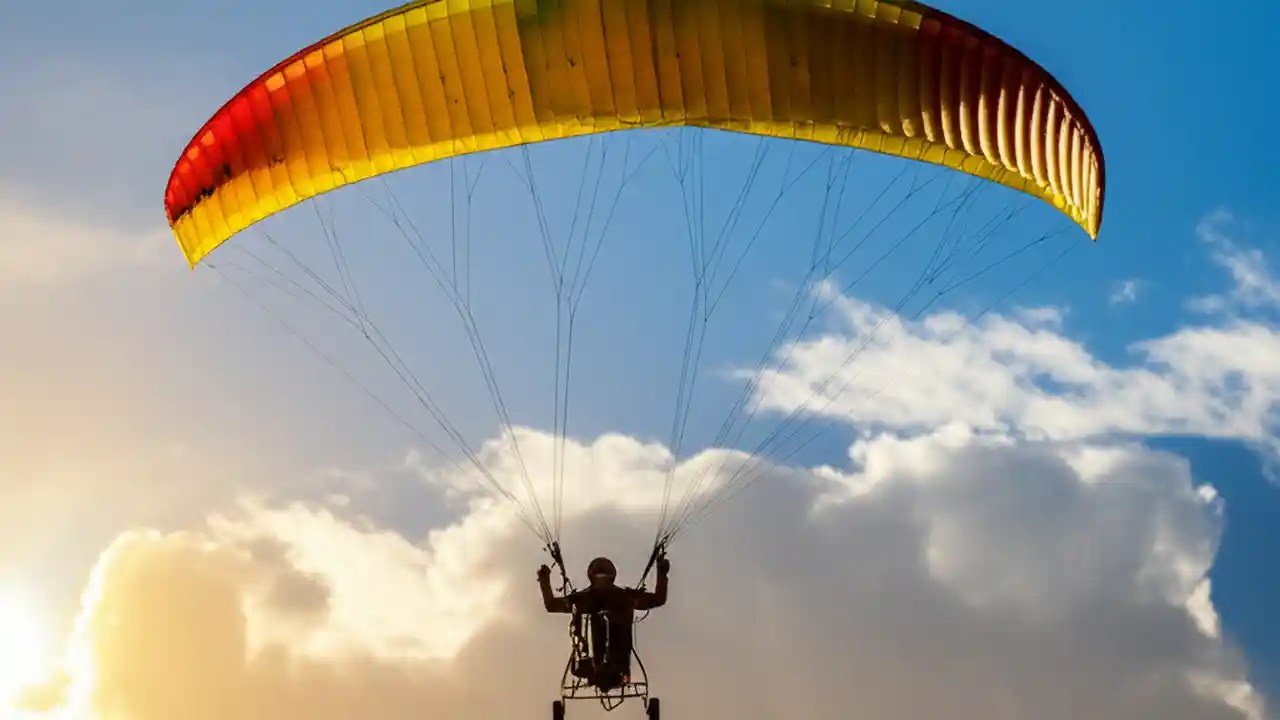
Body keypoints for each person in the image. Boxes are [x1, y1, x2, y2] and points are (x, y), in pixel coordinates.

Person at [538, 555, 670, 691]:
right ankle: (600, 665)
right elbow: (658, 599)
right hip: (599, 661)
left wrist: (544, 580)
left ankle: (602, 666)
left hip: (615, 661)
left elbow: (551, 605)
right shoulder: (621, 597)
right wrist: (662, 573)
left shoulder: (587, 599)